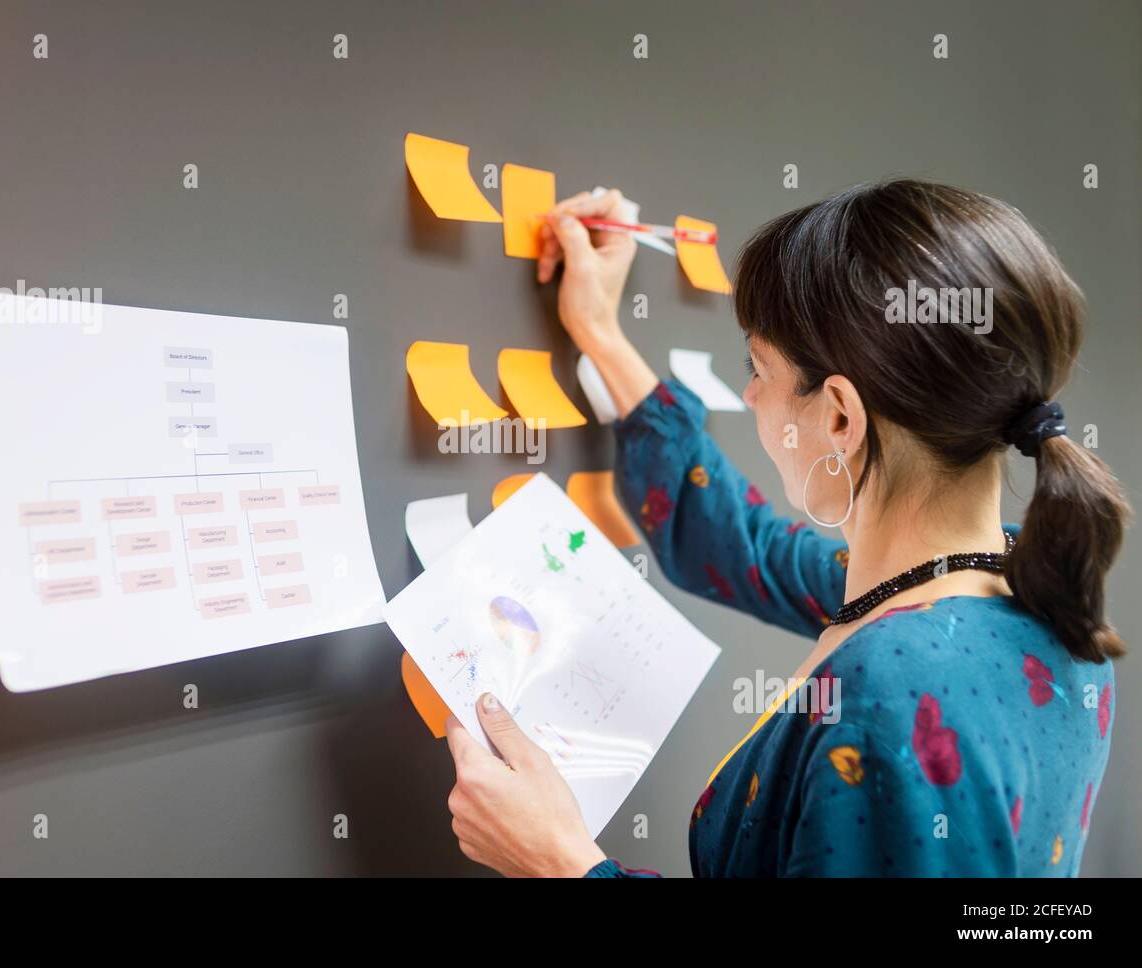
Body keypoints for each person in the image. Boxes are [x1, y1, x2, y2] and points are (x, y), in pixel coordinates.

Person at [442, 180, 1130, 877]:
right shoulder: (1018, 585)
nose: (748, 395)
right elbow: (740, 547)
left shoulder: (889, 688)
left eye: (758, 368)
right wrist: (600, 332)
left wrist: (560, 862)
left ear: (839, 416)